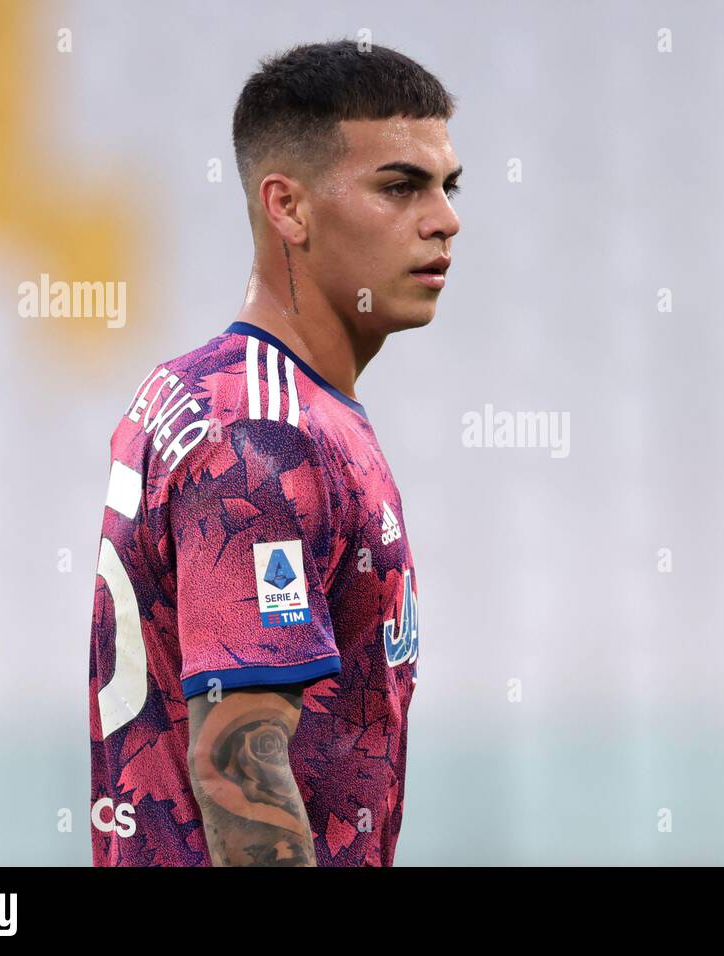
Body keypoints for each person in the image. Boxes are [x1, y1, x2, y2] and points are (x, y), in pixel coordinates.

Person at [88, 39, 461, 866]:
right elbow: (236, 782)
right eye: (399, 186)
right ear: (287, 208)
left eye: (447, 184)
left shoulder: (253, 397)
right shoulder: (262, 434)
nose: (445, 217)